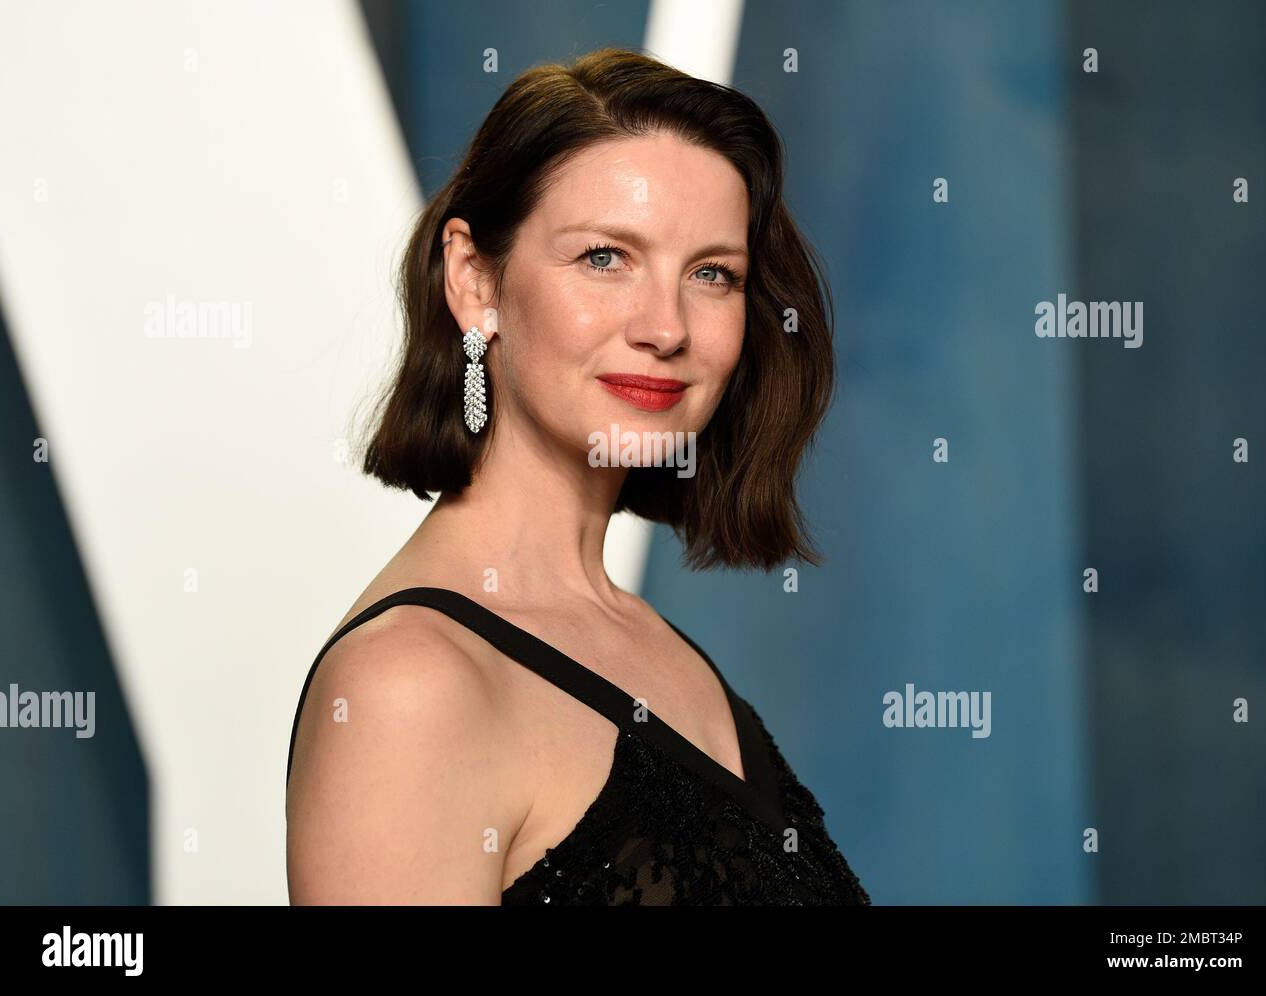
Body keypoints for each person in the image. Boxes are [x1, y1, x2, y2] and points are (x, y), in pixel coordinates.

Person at [285, 46, 870, 905]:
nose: (666, 327)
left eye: (713, 274)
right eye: (605, 257)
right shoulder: (407, 690)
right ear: (474, 279)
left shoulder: (665, 655)